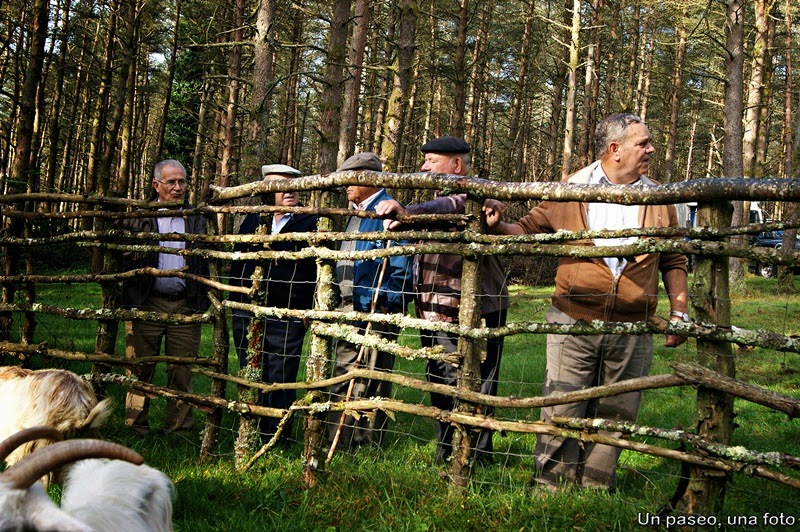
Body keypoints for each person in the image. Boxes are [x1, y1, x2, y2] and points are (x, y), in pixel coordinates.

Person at [484, 113, 689, 491]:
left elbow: (675, 259)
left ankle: (596, 487)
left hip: (633, 326)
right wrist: (498, 224)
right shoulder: (571, 190)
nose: (651, 149)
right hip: (572, 320)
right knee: (563, 404)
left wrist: (679, 310)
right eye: (642, 143)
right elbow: (527, 229)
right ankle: (552, 488)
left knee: (618, 411)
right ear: (615, 150)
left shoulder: (661, 198)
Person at [375, 136, 509, 465]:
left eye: (432, 161)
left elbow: (451, 205)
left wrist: (408, 212)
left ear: (456, 165)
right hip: (433, 309)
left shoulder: (475, 196)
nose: (424, 167)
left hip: (475, 311)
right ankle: (446, 449)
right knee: (438, 375)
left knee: (473, 380)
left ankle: (477, 455)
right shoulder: (437, 203)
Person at [326, 152, 412, 449]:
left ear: (368, 177)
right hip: (349, 305)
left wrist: (386, 301)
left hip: (374, 308)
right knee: (344, 371)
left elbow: (401, 263)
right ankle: (342, 438)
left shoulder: (386, 210)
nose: (346, 184)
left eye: (352, 176)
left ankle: (364, 444)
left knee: (373, 374)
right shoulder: (354, 212)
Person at [228, 164, 318, 443]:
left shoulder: (309, 221)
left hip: (288, 311)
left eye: (294, 185)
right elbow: (239, 259)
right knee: (250, 366)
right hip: (248, 309)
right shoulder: (253, 219)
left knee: (281, 372)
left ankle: (275, 434)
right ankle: (250, 424)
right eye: (282, 186)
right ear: (267, 191)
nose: (289, 191)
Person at [121, 159, 210, 434]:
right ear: (156, 185)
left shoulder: (196, 218)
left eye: (182, 181)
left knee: (181, 370)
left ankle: (179, 429)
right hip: (146, 300)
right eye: (171, 182)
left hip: (185, 303)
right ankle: (136, 427)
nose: (178, 187)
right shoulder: (140, 217)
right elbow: (123, 258)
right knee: (139, 368)